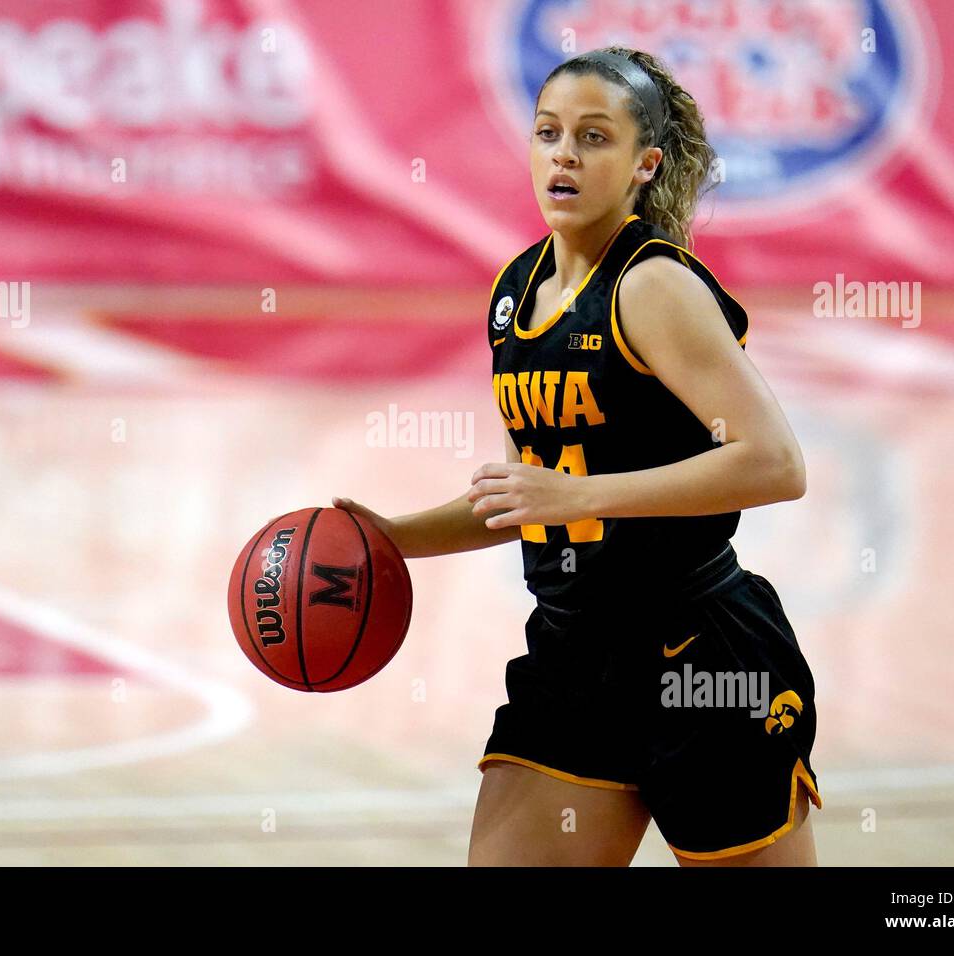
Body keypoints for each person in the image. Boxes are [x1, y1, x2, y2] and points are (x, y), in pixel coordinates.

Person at [333, 46, 821, 866]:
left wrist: (582, 496)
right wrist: (394, 536)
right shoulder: (513, 291)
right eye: (549, 132)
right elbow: (538, 491)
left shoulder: (653, 286)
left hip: (704, 660)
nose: (564, 153)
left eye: (594, 137)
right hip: (574, 656)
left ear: (644, 164)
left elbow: (775, 463)